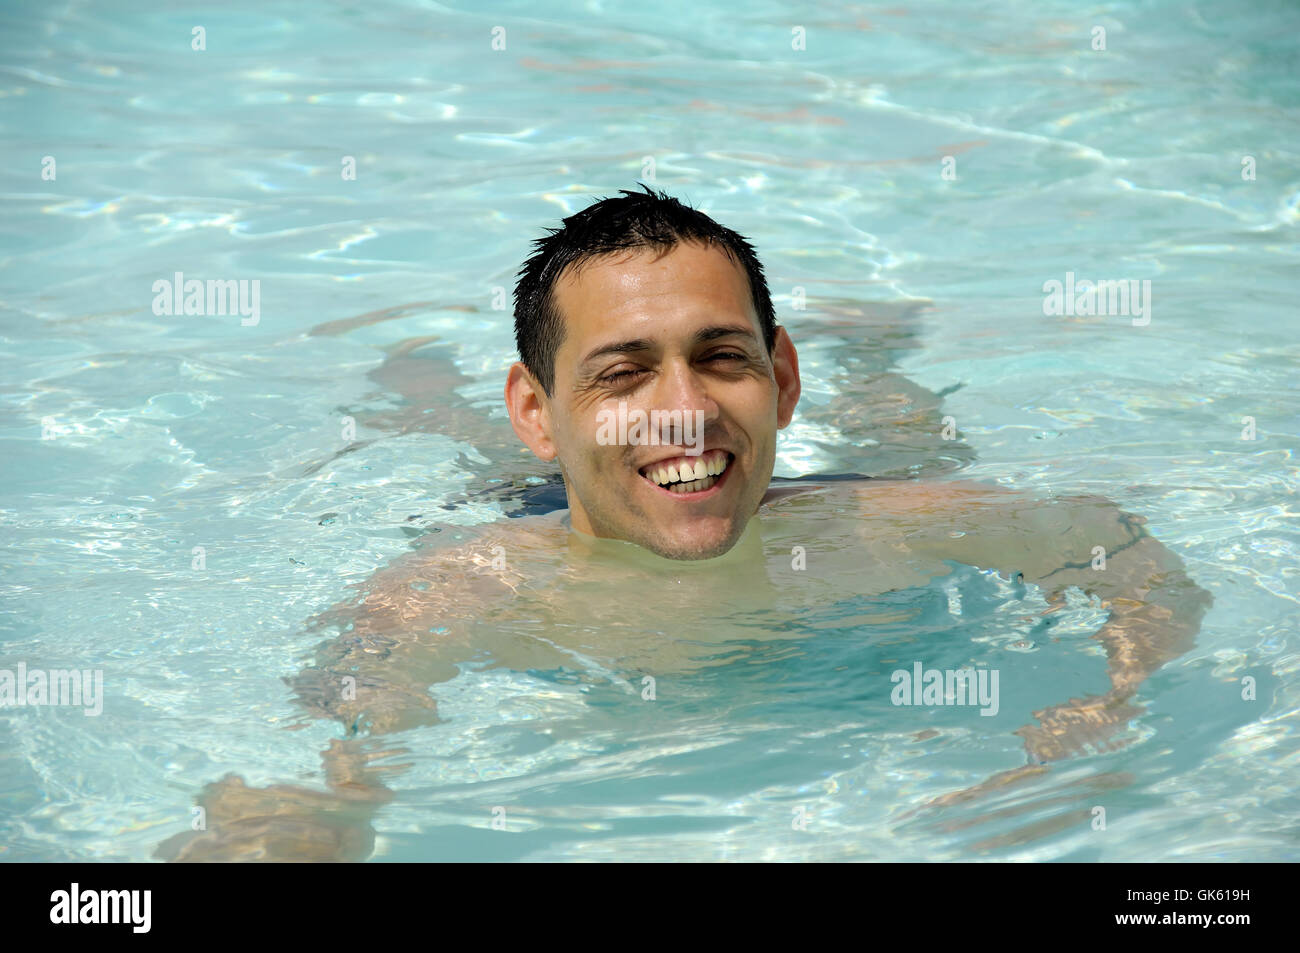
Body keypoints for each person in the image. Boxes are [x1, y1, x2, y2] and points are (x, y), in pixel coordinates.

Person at [157, 186, 1210, 861]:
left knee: (918, 451)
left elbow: (1116, 546)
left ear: (780, 376)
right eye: (623, 371)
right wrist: (325, 803)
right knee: (475, 469)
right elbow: (344, 726)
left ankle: (880, 356)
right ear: (538, 409)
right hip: (550, 505)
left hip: (802, 492)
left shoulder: (891, 527)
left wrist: (1107, 708)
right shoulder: (466, 587)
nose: (685, 408)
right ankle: (415, 380)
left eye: (722, 357)